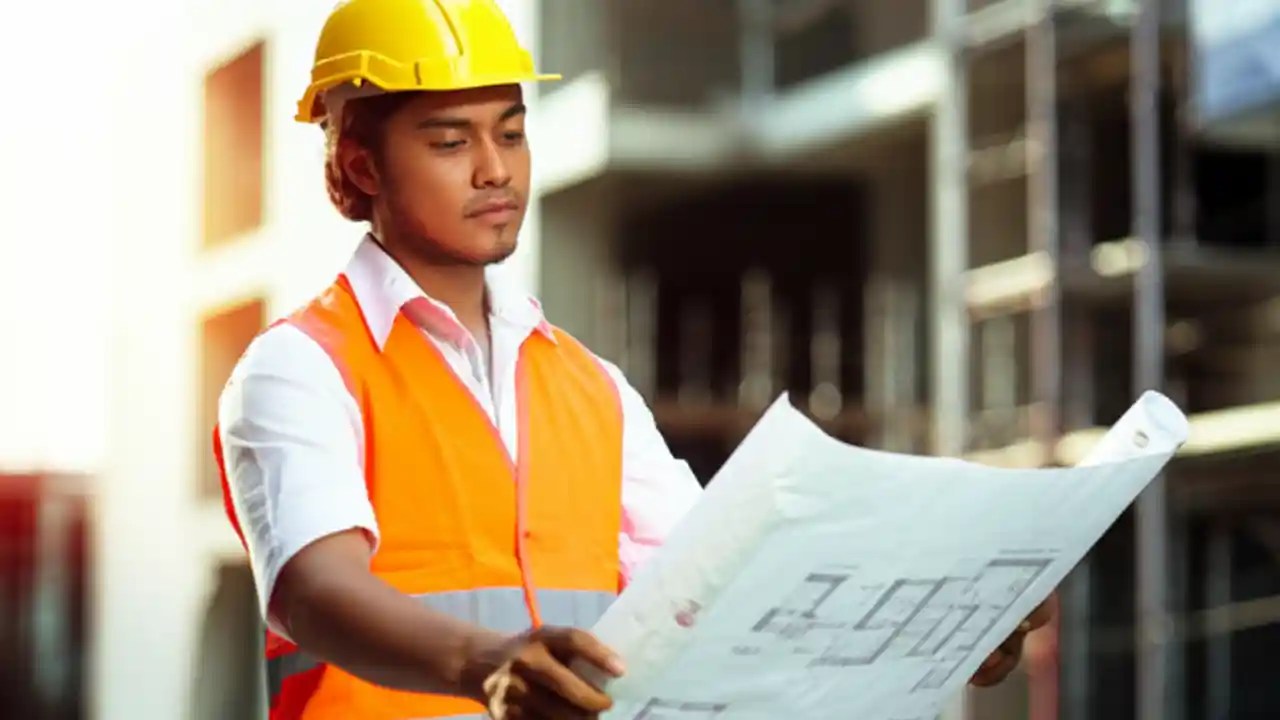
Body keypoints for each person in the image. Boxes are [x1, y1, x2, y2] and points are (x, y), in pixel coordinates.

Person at [214, 1, 1050, 718]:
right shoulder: (299, 369)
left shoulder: (590, 387)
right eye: (449, 141)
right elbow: (316, 592)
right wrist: (483, 663)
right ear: (360, 163)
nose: (496, 169)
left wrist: (923, 626)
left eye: (511, 132)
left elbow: (720, 582)